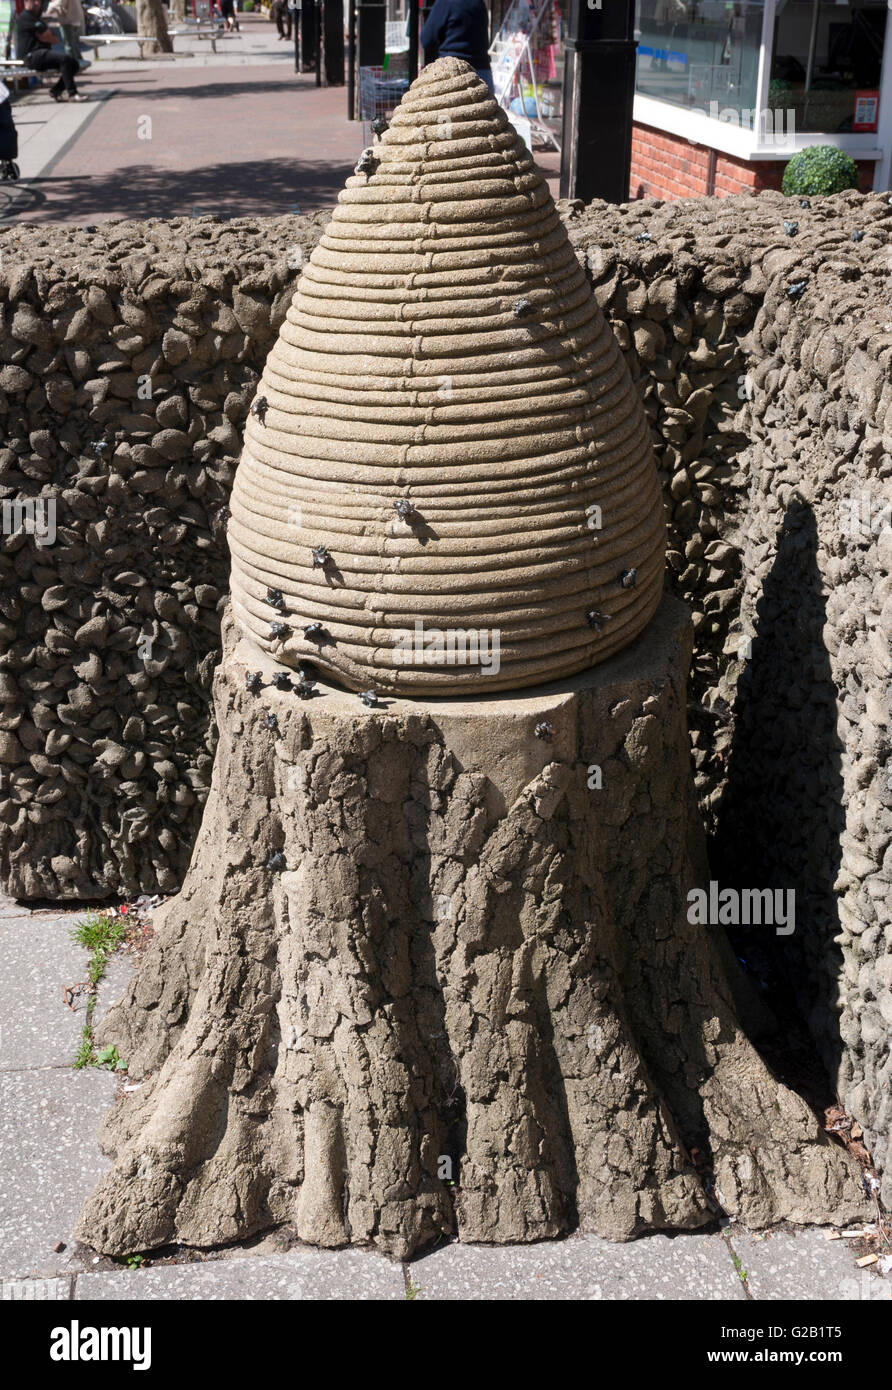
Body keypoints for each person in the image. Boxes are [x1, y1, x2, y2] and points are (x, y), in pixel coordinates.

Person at [16, 0, 85, 101]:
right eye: (34, 1)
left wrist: (47, 36)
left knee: (74, 64)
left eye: (39, 1)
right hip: (32, 56)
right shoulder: (26, 17)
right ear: (27, 2)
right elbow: (48, 35)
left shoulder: (36, 17)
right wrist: (47, 36)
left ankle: (56, 90)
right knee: (64, 59)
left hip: (42, 54)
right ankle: (72, 94)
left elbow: (54, 39)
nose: (37, 4)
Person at [420, 0, 493, 94]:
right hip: (482, 73)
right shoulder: (479, 3)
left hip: (452, 72)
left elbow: (426, 40)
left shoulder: (445, 3)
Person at [45, 0, 88, 69]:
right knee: (73, 44)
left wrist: (50, 5)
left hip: (68, 20)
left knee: (68, 45)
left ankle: (72, 66)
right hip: (75, 19)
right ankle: (80, 62)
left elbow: (58, 4)